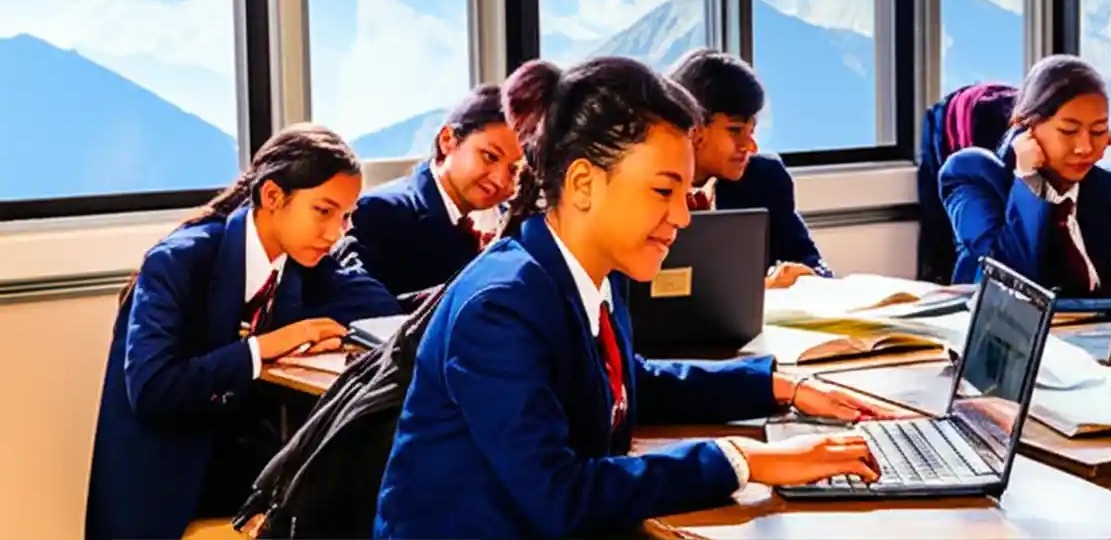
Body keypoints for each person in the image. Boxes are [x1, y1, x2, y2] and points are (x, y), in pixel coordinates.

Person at [374, 58, 883, 539]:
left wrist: (777, 387)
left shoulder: (591, 274)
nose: (683, 218)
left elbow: (623, 383)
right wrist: (740, 459)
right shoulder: (501, 307)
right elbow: (561, 495)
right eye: (663, 192)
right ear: (582, 184)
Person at [86, 124, 400, 540]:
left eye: (345, 216)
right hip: (166, 480)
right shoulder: (180, 261)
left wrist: (334, 326)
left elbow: (380, 308)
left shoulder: (303, 258)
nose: (334, 232)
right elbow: (152, 389)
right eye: (323, 211)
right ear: (273, 196)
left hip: (240, 463)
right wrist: (264, 348)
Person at [940, 56, 1111, 296]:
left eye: (1098, 130)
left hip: (1100, 330)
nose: (1085, 147)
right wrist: (1030, 182)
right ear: (1025, 125)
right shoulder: (974, 175)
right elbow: (1010, 285)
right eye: (1068, 131)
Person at [667, 49, 832, 289]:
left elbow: (813, 263)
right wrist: (759, 289)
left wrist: (810, 275)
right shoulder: (652, 192)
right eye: (735, 130)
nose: (751, 147)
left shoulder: (764, 179)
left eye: (751, 131)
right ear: (694, 128)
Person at [336, 85, 520, 295]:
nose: (501, 180)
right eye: (490, 156)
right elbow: (371, 315)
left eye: (515, 170)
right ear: (447, 140)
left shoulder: (510, 228)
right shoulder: (379, 213)